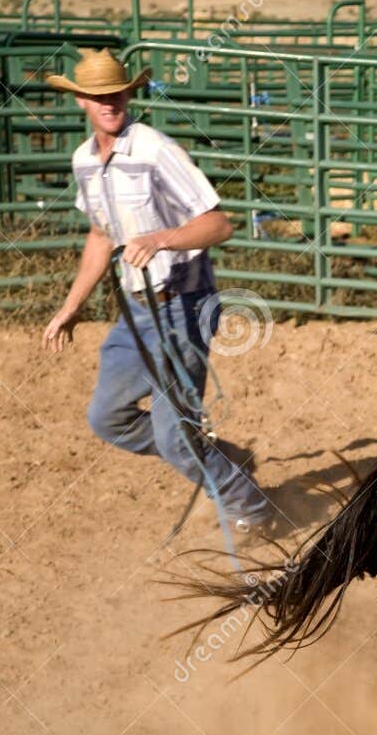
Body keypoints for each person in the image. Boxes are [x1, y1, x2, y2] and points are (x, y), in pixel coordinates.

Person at [41, 50, 275, 540]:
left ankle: (250, 507)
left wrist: (161, 239)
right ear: (81, 100)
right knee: (108, 418)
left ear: (129, 94)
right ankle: (219, 458)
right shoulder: (84, 161)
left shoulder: (154, 149)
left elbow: (218, 224)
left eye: (117, 93)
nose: (110, 103)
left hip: (184, 307)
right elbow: (100, 235)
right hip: (138, 312)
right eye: (99, 96)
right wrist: (71, 306)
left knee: (173, 436)